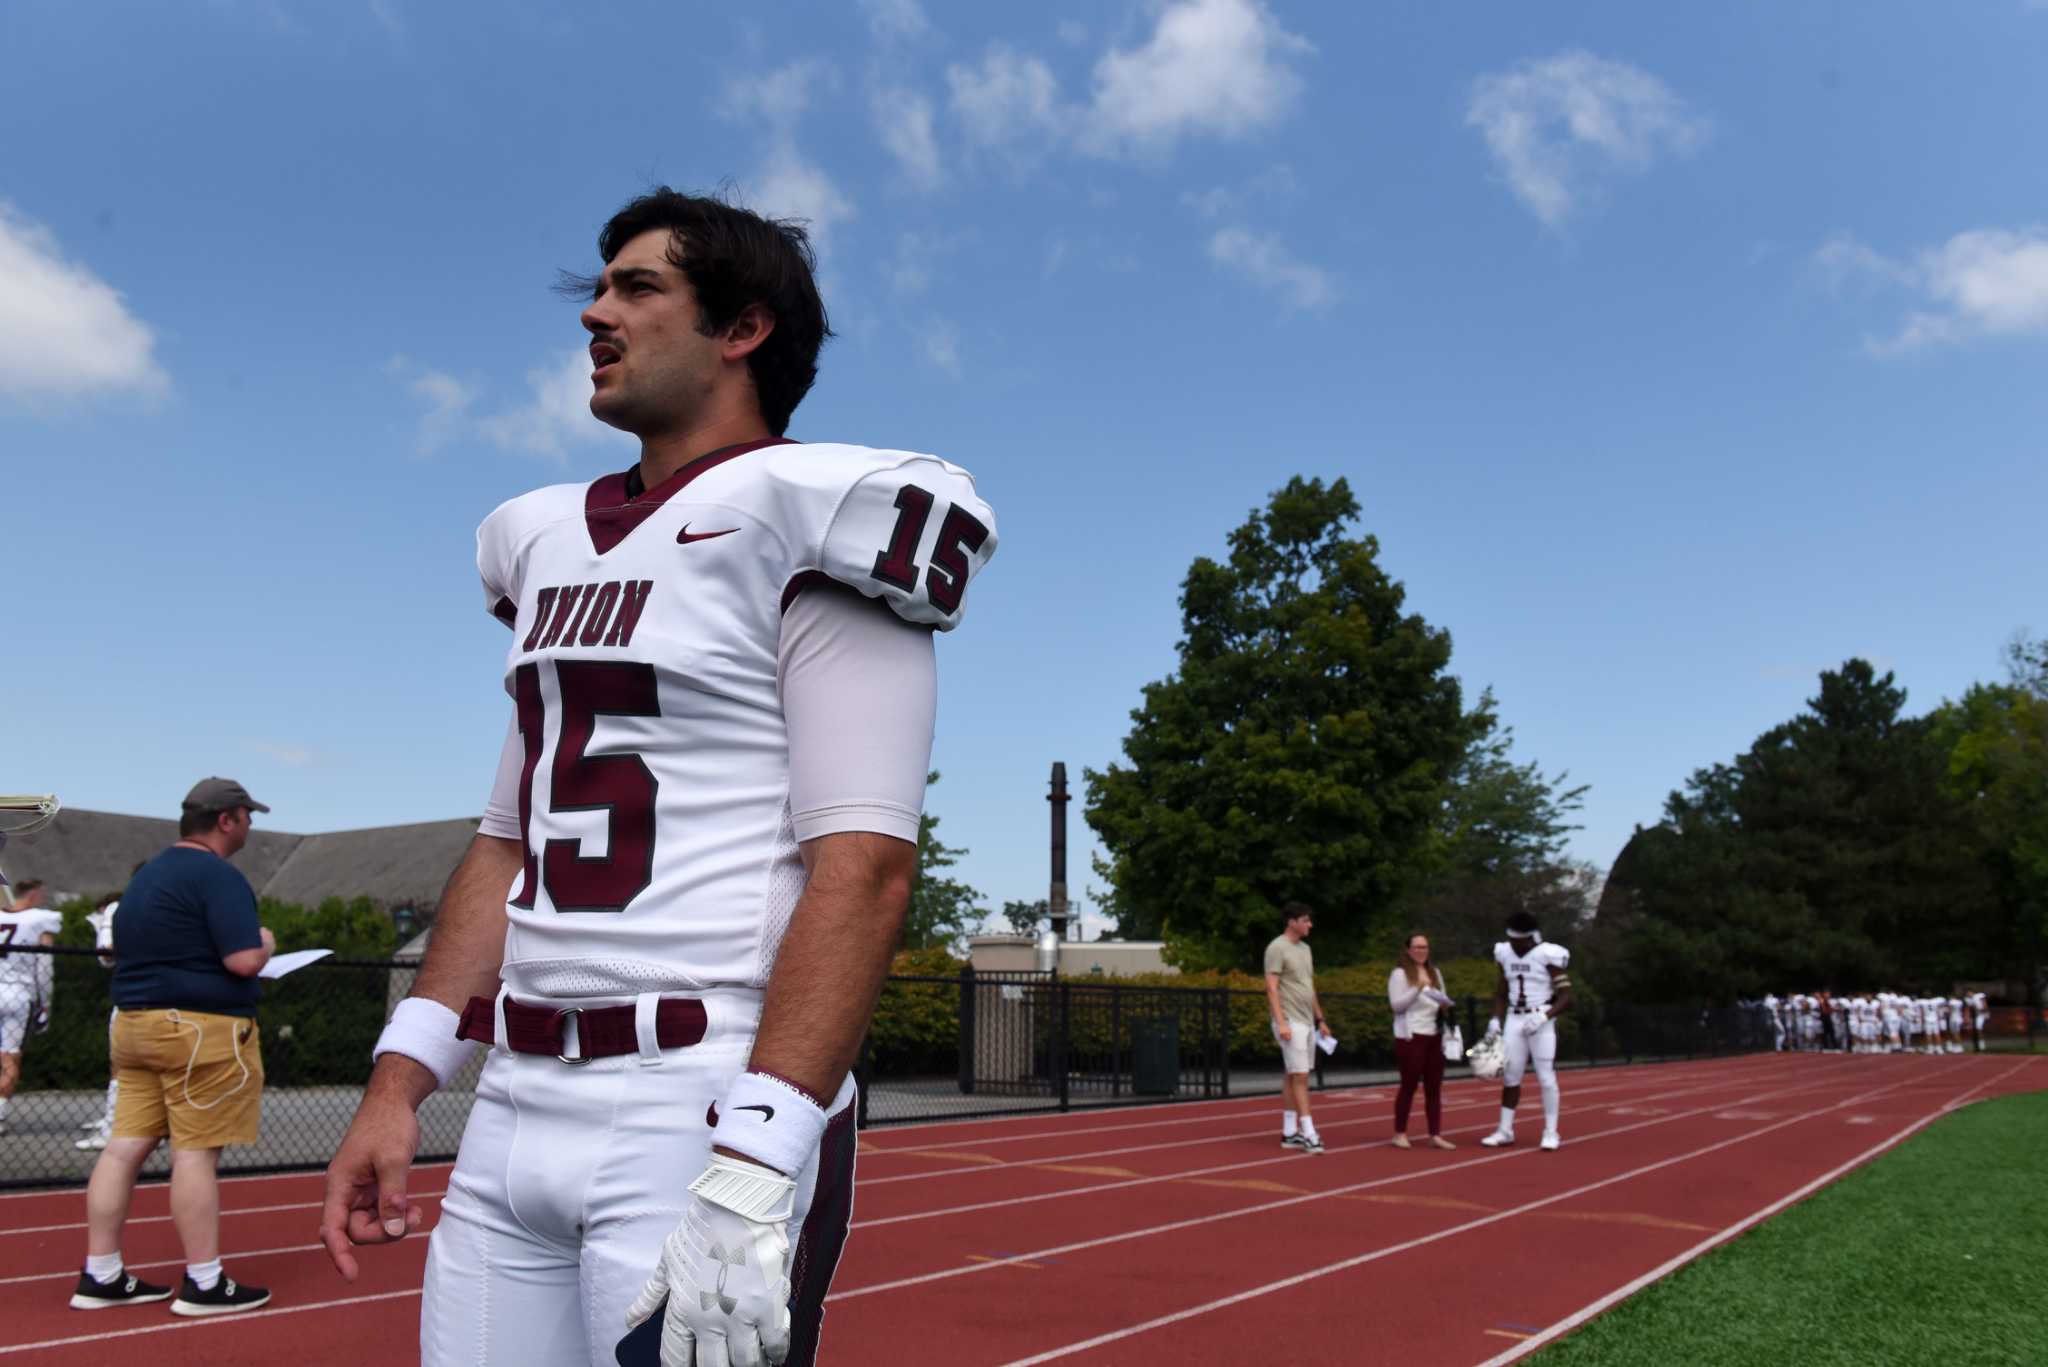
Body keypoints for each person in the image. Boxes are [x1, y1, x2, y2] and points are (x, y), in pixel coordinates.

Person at [318, 188, 995, 1367]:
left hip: (699, 1084)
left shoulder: (818, 510)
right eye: (598, 286)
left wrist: (757, 1155)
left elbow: (869, 865)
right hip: (515, 1095)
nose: (596, 311)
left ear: (742, 329)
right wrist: (402, 1079)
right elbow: (505, 838)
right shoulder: (538, 536)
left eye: (638, 288)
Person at [72, 778, 275, 1315]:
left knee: (123, 1148)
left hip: (134, 1025)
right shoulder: (218, 876)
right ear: (228, 819)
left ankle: (102, 1273)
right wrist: (267, 943)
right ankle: (205, 1283)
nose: (252, 825)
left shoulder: (147, 878)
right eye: (248, 816)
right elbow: (244, 961)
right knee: (195, 1155)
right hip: (199, 1032)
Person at [1479, 910, 1573, 1151]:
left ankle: (1551, 1131)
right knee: (1511, 1076)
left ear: (1529, 937)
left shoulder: (1547, 955)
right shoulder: (1504, 954)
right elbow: (1501, 992)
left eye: (1517, 939)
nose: (1513, 943)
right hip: (1514, 1018)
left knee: (1546, 1077)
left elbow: (1567, 998)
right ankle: (1505, 1129)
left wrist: (1544, 1016)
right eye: (1510, 939)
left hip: (1539, 1019)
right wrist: (1495, 1020)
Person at [1262, 903, 1330, 1155]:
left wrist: (1320, 1018)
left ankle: (1289, 1132)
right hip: (1290, 1020)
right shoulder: (1276, 948)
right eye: (1305, 920)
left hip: (1307, 1020)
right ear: (1291, 921)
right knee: (1301, 1076)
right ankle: (1309, 1132)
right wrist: (1281, 1022)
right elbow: (1271, 986)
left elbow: (1307, 985)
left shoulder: (1305, 949)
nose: (1309, 925)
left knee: (1293, 1074)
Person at [0, 879, 63, 1137]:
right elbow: (44, 966)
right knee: (10, 1056)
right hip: (18, 993)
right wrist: (45, 1003)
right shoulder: (40, 919)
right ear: (35, 893)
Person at [1386, 931, 1455, 1150]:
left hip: (1434, 1034)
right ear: (1408, 950)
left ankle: (1435, 1134)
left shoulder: (1434, 972)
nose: (1421, 951)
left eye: (1424, 947)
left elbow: (1442, 999)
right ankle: (1400, 1132)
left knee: (1434, 1087)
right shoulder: (1399, 974)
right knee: (1409, 1084)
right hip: (1410, 1035)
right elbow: (1396, 1005)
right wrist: (1417, 988)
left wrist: (1444, 1002)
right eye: (1417, 947)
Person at [75, 893, 122, 1150]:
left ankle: (114, 1128)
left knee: (122, 1066)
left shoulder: (119, 909)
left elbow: (105, 956)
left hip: (134, 997)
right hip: (176, 998)